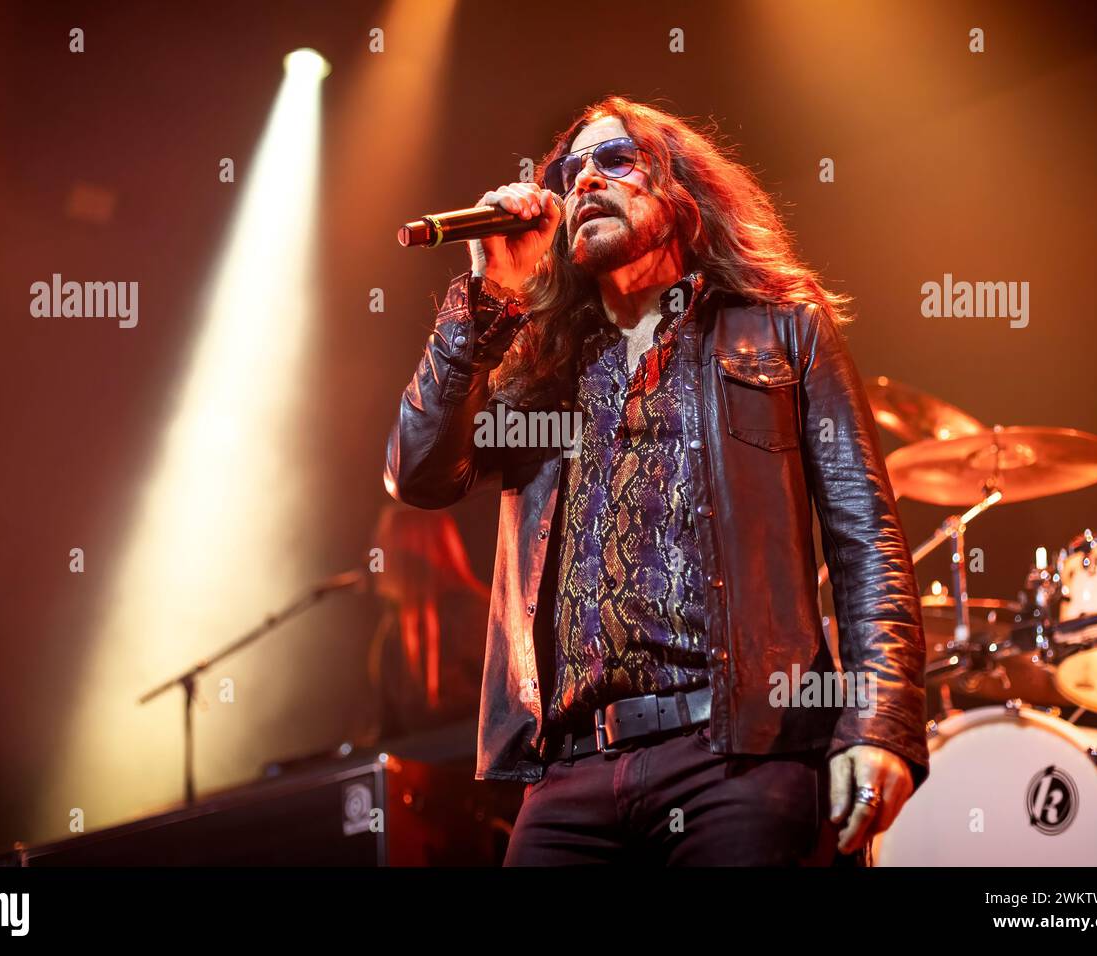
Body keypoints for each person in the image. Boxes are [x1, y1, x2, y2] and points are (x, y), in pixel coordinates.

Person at [384, 96, 927, 865]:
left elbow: (867, 539)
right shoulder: (541, 373)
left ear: (680, 190)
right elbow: (417, 474)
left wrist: (879, 724)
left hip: (740, 756)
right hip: (568, 775)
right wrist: (490, 302)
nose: (585, 184)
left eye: (615, 161)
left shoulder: (779, 328)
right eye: (570, 174)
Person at [362, 503, 490, 742]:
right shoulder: (392, 635)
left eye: (380, 551)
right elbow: (388, 730)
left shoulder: (478, 616)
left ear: (408, 555)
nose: (372, 561)